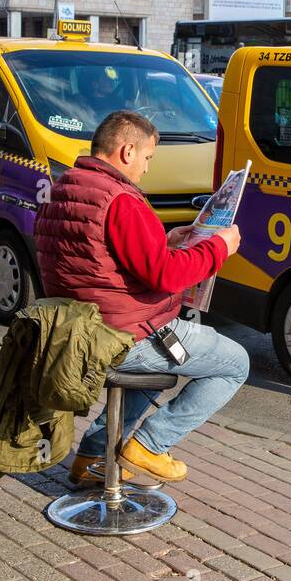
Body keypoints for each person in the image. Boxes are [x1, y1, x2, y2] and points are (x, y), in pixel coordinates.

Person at [34, 110, 245, 484]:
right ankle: (150, 444)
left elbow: (97, 262)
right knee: (234, 362)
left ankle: (92, 458)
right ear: (128, 151)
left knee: (150, 372)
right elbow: (166, 276)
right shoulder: (121, 199)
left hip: (77, 333)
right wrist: (218, 247)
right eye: (148, 158)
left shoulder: (62, 187)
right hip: (125, 335)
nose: (146, 168)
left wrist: (164, 241)